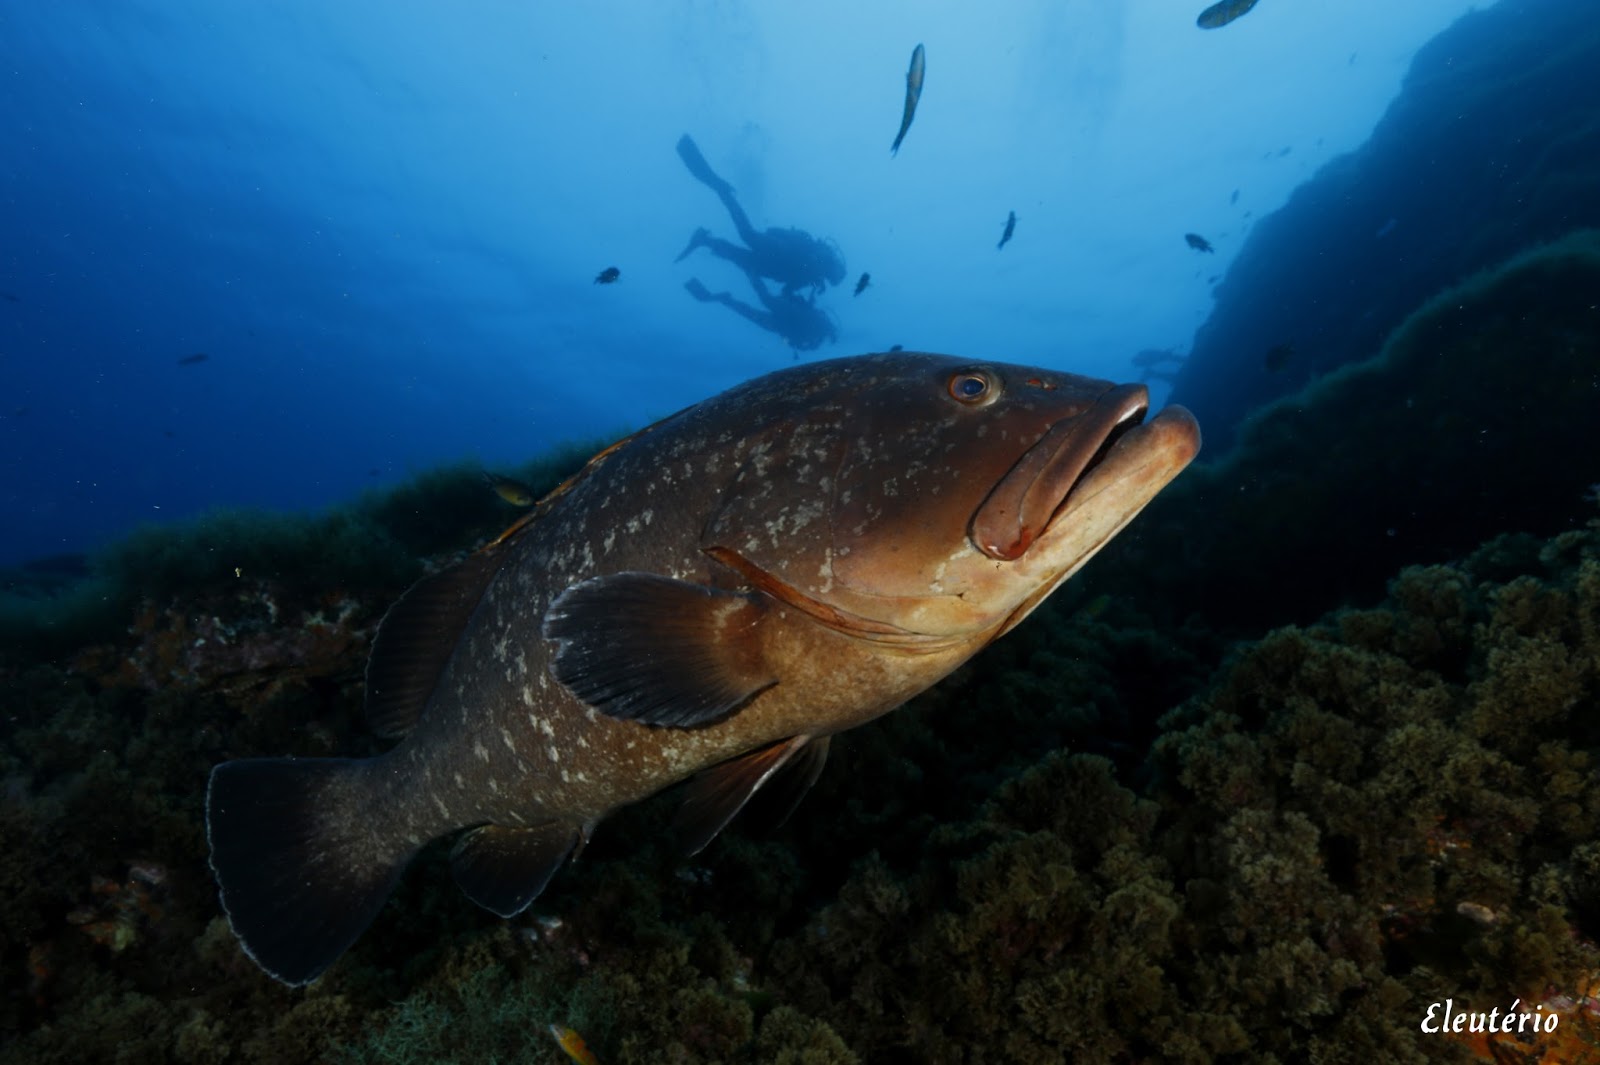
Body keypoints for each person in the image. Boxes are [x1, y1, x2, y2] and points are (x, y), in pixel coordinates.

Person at [673, 134, 846, 298]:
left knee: (736, 255)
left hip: (772, 267)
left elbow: (787, 289)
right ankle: (724, 192)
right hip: (780, 250)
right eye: (835, 278)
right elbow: (809, 259)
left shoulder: (814, 279)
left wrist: (795, 298)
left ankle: (704, 239)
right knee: (747, 235)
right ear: (836, 269)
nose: (832, 281)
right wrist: (810, 273)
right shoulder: (824, 258)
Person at [683, 271, 838, 352]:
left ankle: (728, 296)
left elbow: (796, 343)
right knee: (762, 301)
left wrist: (788, 340)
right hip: (789, 315)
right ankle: (750, 271)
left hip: (781, 323)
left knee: (751, 311)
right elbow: (801, 333)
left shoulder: (814, 337)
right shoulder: (817, 329)